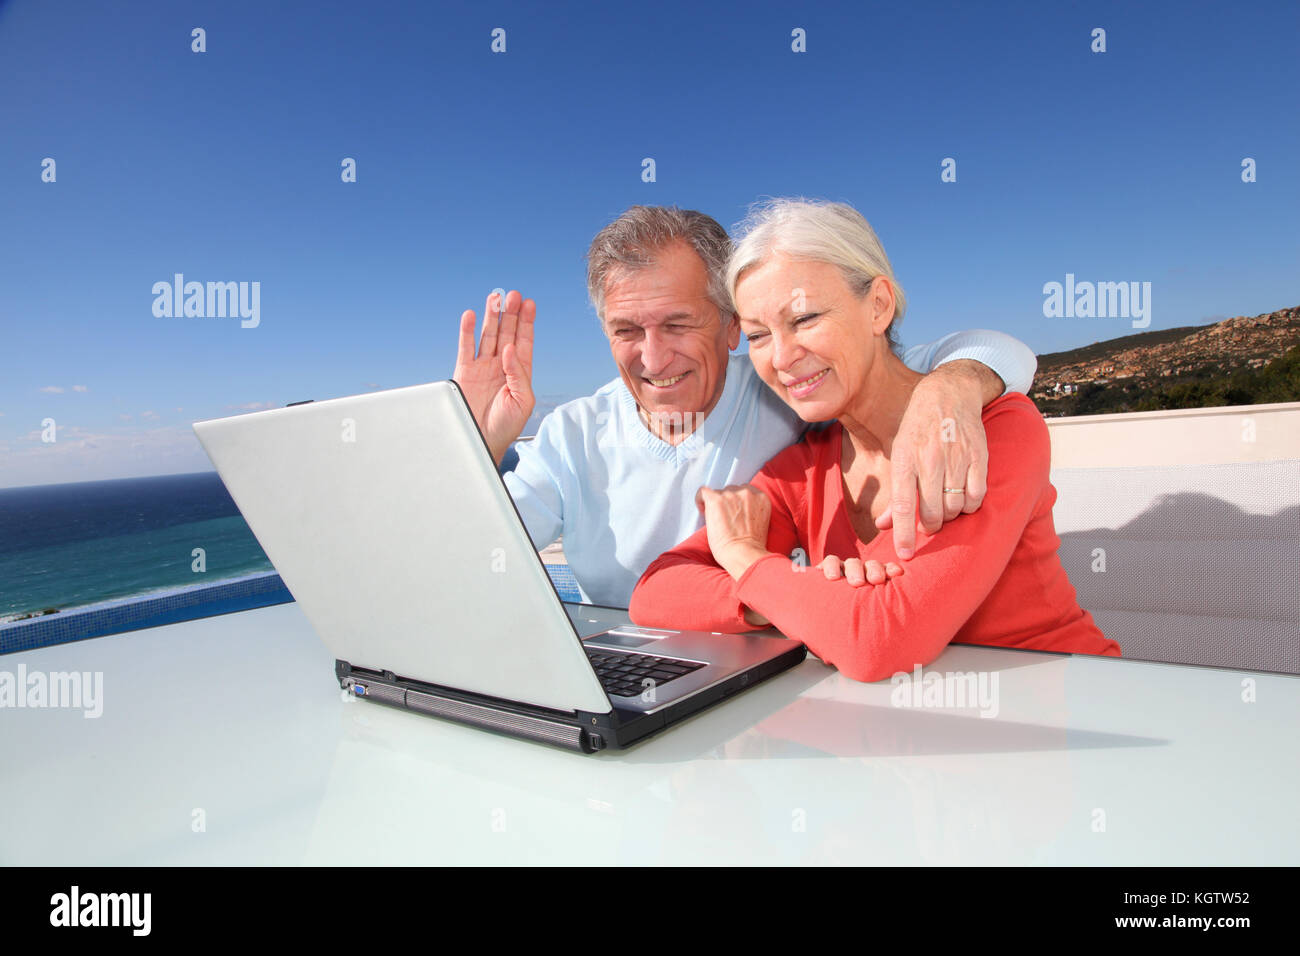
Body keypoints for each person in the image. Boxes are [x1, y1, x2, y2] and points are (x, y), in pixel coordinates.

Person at [453, 205, 1039, 607]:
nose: (652, 358)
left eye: (678, 323)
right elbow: (474, 556)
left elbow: (993, 352)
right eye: (627, 329)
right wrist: (477, 446)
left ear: (732, 327)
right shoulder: (571, 434)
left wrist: (952, 386)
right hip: (628, 662)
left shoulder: (786, 381)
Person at [628, 199, 1119, 678]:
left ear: (879, 306)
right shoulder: (802, 471)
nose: (781, 357)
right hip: (915, 740)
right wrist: (791, 596)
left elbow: (878, 641)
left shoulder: (993, 430)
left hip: (1075, 713)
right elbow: (654, 593)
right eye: (758, 336)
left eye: (805, 319)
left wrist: (743, 556)